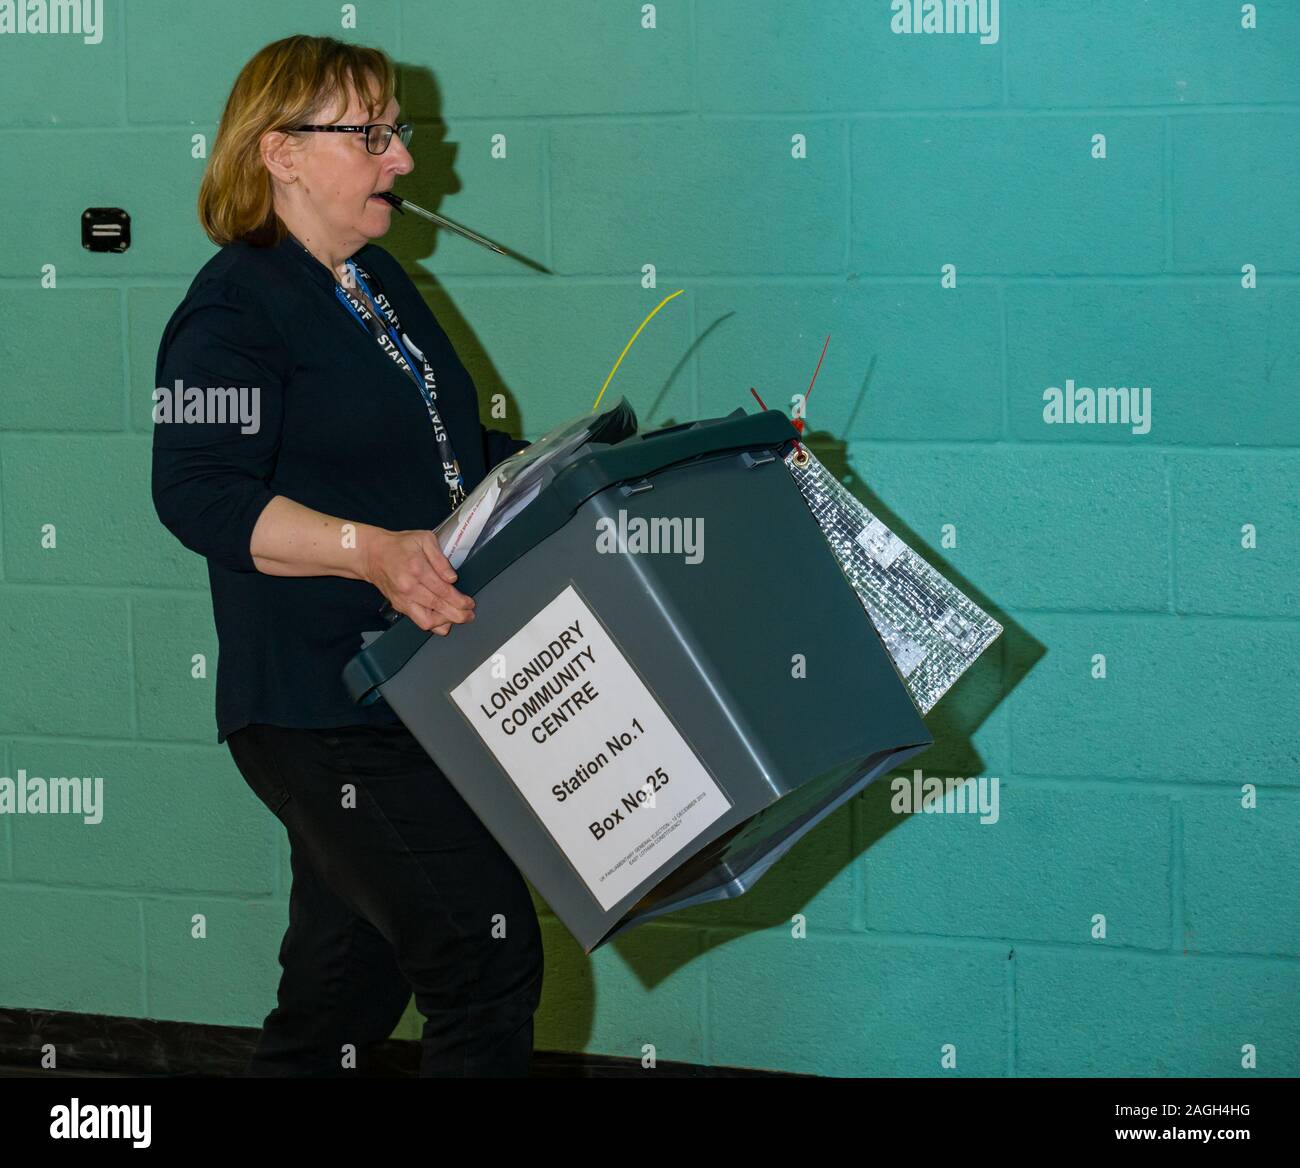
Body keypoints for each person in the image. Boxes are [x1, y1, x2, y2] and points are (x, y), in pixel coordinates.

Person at [151, 34, 544, 1077]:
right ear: (279, 153)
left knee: (343, 994)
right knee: (483, 956)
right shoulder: (233, 305)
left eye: (396, 131)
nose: (403, 159)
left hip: (402, 695)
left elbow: (437, 459)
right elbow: (194, 491)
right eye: (371, 133)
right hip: (318, 708)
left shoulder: (373, 280)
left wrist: (561, 469)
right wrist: (368, 552)